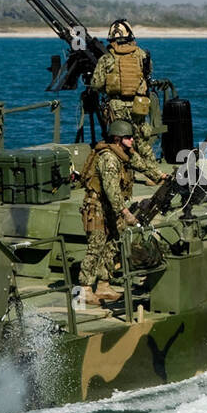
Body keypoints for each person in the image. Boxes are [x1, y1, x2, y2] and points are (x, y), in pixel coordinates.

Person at [77, 118, 146, 305]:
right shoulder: (108, 158)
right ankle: (83, 289)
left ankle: (103, 285)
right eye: (128, 137)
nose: (132, 140)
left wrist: (160, 176)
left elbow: (142, 164)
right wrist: (125, 212)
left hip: (111, 208)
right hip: (98, 207)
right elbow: (111, 189)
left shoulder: (123, 154)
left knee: (112, 244)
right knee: (96, 247)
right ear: (117, 139)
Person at [90, 19, 165, 181]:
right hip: (138, 104)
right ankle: (154, 175)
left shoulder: (107, 58)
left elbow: (96, 84)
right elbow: (147, 73)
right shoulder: (142, 54)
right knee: (140, 140)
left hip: (116, 105)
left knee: (118, 142)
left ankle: (120, 174)